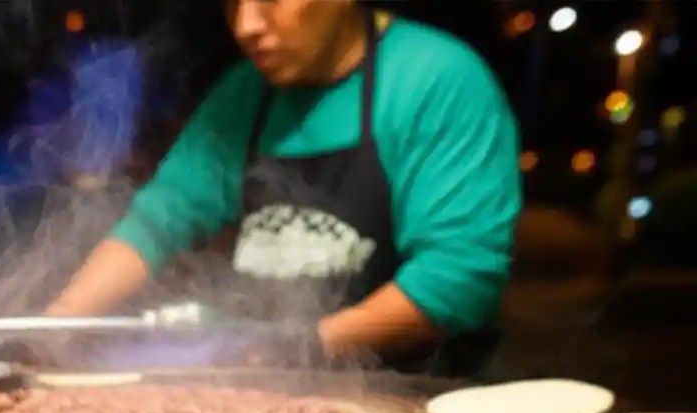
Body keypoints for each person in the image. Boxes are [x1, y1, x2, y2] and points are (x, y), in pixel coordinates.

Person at [45, 0, 520, 376]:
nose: (246, 25)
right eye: (231, 2)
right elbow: (156, 223)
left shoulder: (435, 79)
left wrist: (305, 345)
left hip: (410, 391)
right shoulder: (243, 94)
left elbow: (458, 278)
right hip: (270, 387)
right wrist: (56, 327)